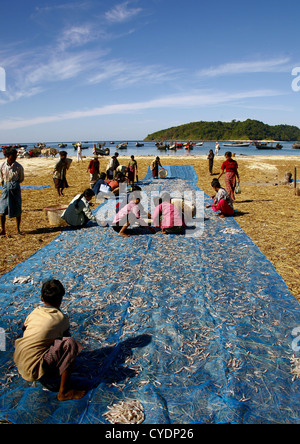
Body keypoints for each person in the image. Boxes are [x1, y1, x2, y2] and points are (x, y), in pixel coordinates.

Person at [13, 279, 86, 401]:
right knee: (70, 344)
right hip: (35, 367)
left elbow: (25, 330)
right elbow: (65, 339)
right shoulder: (62, 319)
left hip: (20, 360)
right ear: (60, 300)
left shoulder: (34, 312)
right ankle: (64, 392)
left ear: (41, 298)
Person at [0, 148, 24, 236]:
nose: (15, 158)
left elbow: (21, 178)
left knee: (17, 208)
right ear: (8, 156)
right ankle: (3, 229)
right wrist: (6, 185)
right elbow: (1, 178)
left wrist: (14, 185)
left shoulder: (19, 167)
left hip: (15, 189)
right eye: (13, 156)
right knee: (2, 210)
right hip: (6, 188)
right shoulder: (2, 166)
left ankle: (18, 229)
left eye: (16, 156)